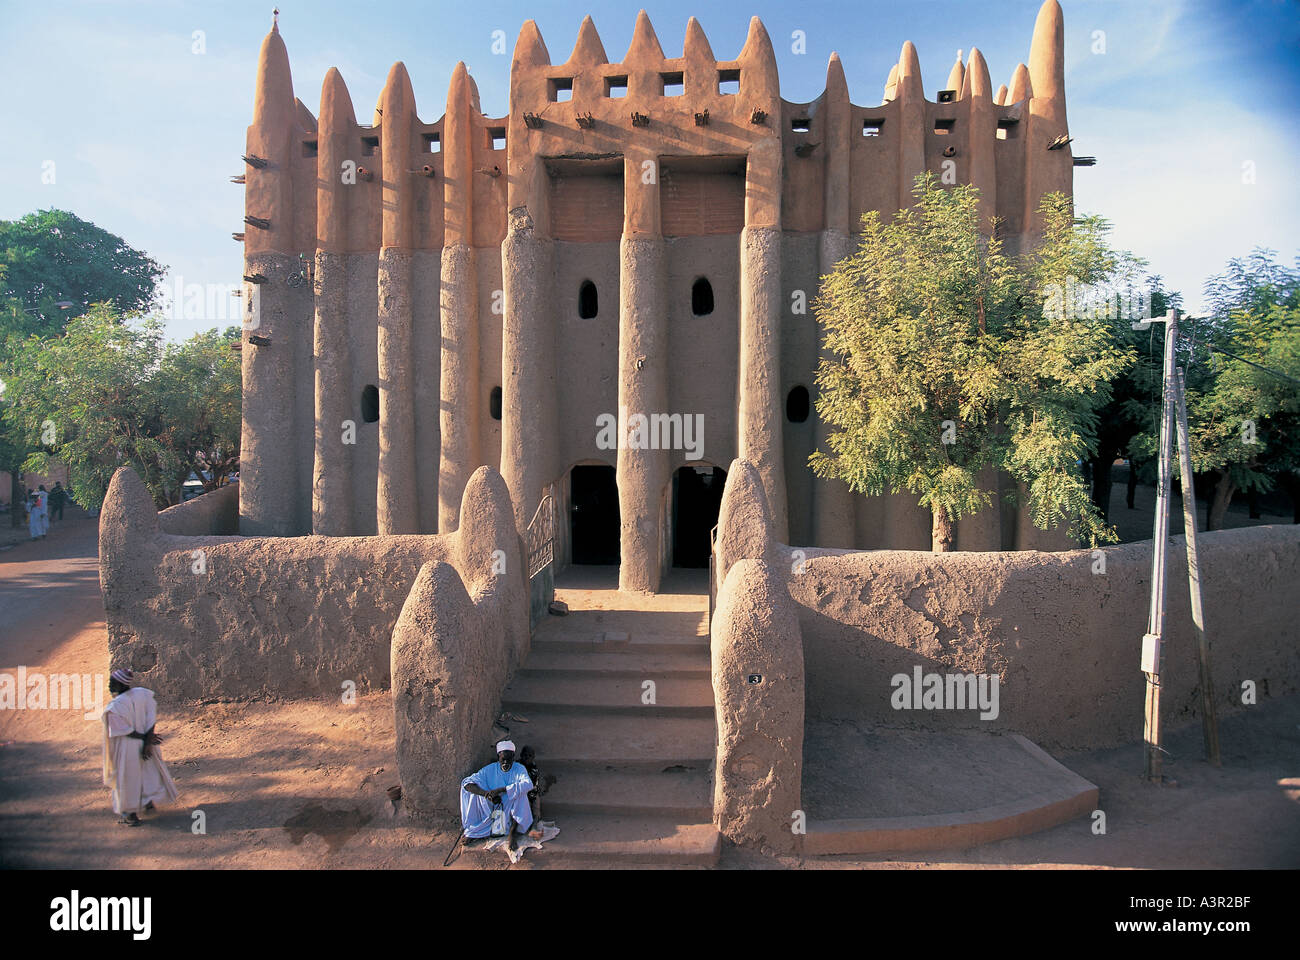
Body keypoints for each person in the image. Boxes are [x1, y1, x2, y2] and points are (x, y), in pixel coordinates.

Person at [102, 669, 179, 826]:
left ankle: (129, 815)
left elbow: (123, 731)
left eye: (112, 682)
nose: (109, 685)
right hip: (145, 744)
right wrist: (148, 741)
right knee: (146, 773)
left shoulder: (114, 707)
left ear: (121, 683)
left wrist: (146, 739)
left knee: (126, 779)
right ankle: (147, 804)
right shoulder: (143, 694)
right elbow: (151, 719)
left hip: (126, 747)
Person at [460, 739, 542, 852]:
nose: (506, 763)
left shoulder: (519, 768)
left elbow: (528, 784)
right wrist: (487, 794)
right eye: (503, 759)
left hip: (510, 805)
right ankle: (474, 832)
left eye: (509, 759)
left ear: (514, 757)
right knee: (474, 793)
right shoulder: (490, 769)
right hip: (491, 805)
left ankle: (512, 834)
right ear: (498, 756)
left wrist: (501, 790)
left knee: (520, 796)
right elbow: (467, 783)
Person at [518, 744, 556, 828]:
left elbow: (534, 783)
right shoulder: (517, 766)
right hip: (518, 791)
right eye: (525, 755)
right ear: (521, 755)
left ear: (533, 757)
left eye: (530, 756)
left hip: (529, 791)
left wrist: (533, 792)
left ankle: (535, 820)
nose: (527, 758)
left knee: (535, 799)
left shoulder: (534, 768)